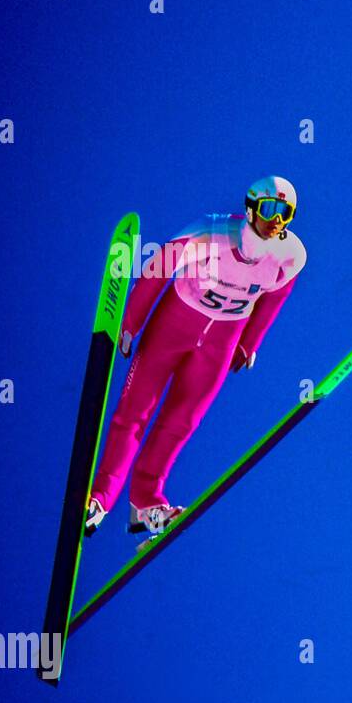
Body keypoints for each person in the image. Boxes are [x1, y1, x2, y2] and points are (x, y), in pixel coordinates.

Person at [85, 176, 307, 536]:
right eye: (270, 209)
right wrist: (129, 322)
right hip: (173, 326)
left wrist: (250, 343)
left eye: (286, 213)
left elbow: (274, 298)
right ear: (251, 207)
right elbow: (157, 269)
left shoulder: (290, 256)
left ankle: (145, 504)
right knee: (134, 413)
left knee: (181, 423)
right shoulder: (212, 232)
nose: (277, 220)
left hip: (220, 342)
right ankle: (100, 498)